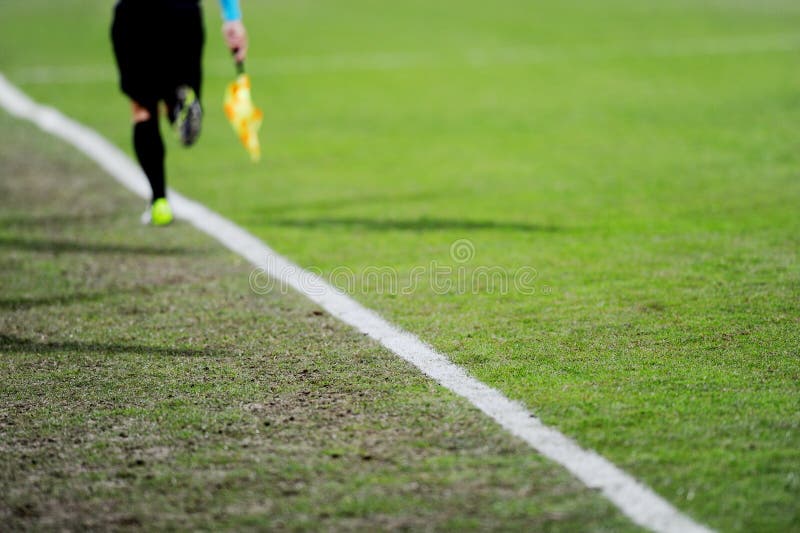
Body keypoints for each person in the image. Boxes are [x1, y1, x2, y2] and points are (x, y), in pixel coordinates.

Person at [111, 0, 248, 226]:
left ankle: (159, 201)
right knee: (177, 91)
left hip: (135, 14)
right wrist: (232, 18)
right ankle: (178, 109)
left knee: (143, 109)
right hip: (183, 13)